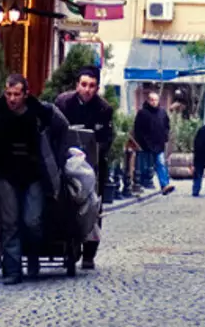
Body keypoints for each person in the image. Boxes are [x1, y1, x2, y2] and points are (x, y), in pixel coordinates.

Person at [0, 74, 71, 285]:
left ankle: (33, 254)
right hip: (7, 173)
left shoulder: (41, 112)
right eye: (8, 94)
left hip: (34, 175)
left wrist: (56, 158)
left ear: (25, 94)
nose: (12, 99)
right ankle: (12, 270)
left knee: (32, 220)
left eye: (16, 94)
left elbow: (63, 127)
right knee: (10, 223)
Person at [54, 66, 115, 270]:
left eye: (91, 86)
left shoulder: (104, 109)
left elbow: (106, 139)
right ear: (77, 85)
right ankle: (63, 244)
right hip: (65, 160)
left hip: (93, 164)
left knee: (93, 206)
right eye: (83, 85)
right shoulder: (63, 102)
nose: (87, 89)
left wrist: (95, 151)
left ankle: (89, 253)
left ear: (97, 88)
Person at [133, 90, 176, 195]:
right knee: (143, 167)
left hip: (158, 144)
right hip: (145, 145)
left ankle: (165, 185)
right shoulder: (142, 113)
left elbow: (166, 125)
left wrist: (165, 137)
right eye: (152, 100)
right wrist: (141, 141)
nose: (154, 102)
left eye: (156, 100)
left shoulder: (162, 112)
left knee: (160, 163)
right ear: (148, 100)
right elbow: (137, 129)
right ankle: (139, 185)